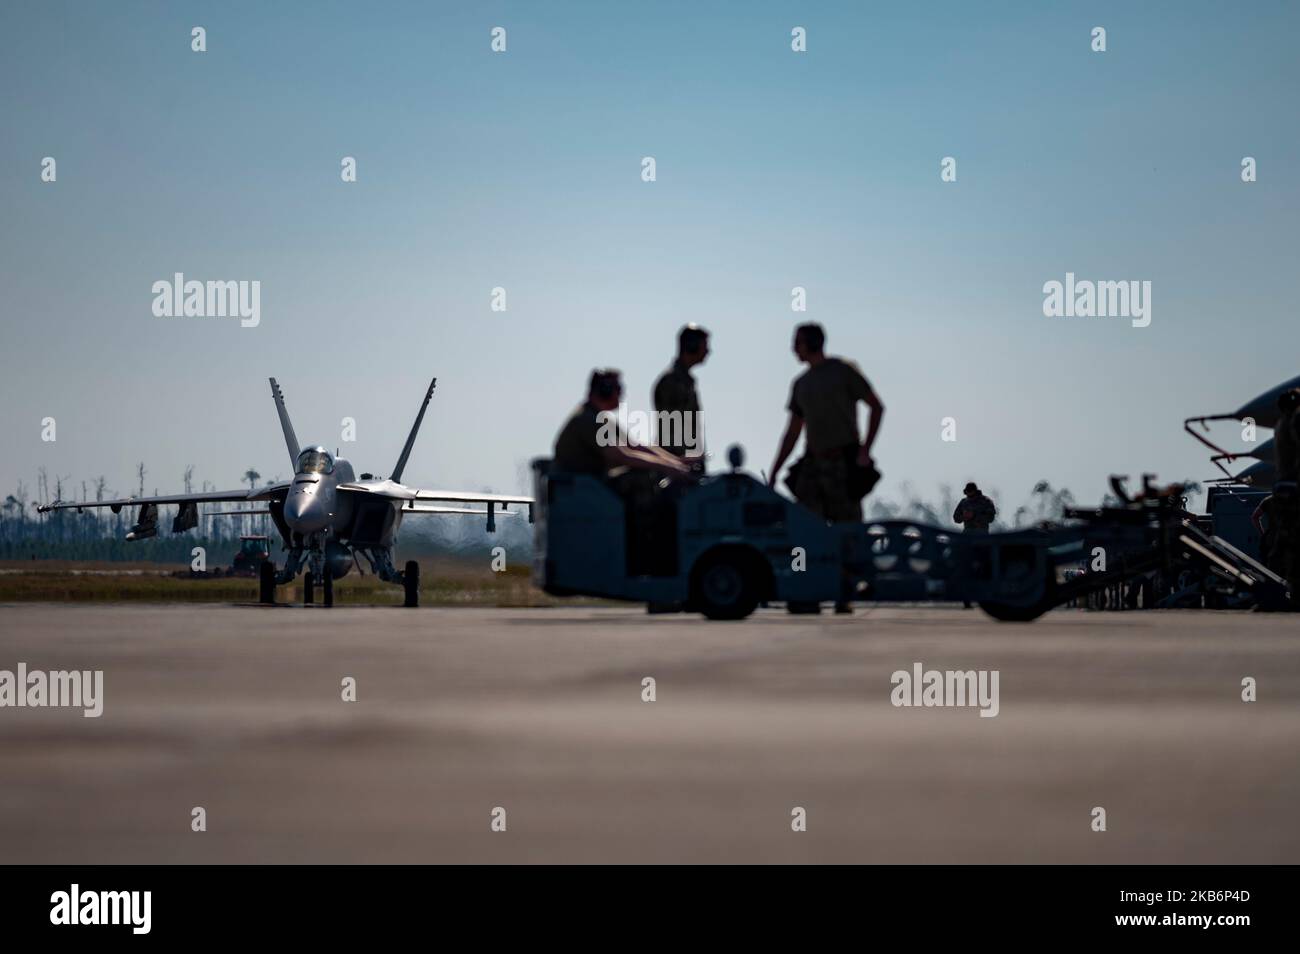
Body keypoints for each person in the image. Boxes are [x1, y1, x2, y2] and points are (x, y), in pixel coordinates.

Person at [768, 323, 884, 522]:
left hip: (842, 466)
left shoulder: (844, 371)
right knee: (806, 526)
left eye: (798, 343)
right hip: (813, 466)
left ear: (812, 343)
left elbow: (876, 407)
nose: (794, 348)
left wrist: (865, 450)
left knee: (848, 532)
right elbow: (793, 432)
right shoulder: (800, 384)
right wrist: (775, 470)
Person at [553, 369, 689, 477]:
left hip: (589, 487)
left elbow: (634, 445)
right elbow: (623, 456)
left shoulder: (600, 418)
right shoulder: (586, 420)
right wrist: (665, 466)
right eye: (618, 388)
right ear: (604, 390)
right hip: (582, 488)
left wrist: (676, 461)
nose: (621, 394)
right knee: (641, 478)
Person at [653, 324, 709, 470]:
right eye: (704, 346)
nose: (708, 351)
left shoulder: (685, 381)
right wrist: (679, 463)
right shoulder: (672, 381)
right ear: (691, 346)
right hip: (675, 465)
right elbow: (672, 429)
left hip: (685, 463)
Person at [1268, 388, 1300, 607]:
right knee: (1293, 543)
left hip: (1281, 488)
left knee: (1283, 542)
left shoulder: (1279, 425)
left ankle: (1273, 588)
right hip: (1293, 489)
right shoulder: (1295, 421)